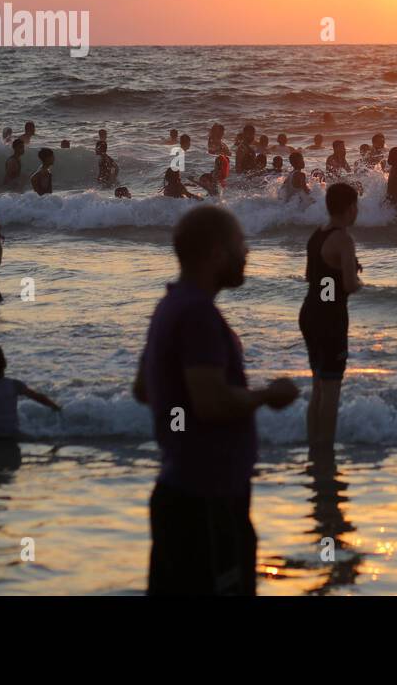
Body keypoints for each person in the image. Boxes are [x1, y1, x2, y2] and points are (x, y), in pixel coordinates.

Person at [132, 205, 301, 595]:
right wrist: (267, 396)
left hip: (181, 493)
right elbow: (209, 404)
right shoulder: (198, 314)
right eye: (240, 244)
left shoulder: (169, 305)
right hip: (207, 501)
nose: (246, 254)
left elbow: (143, 389)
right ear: (215, 253)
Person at [300, 183, 363, 448]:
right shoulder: (344, 239)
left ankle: (314, 446)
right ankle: (325, 451)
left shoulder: (318, 234)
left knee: (318, 387)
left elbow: (309, 275)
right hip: (331, 319)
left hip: (310, 313)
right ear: (350, 208)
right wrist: (361, 281)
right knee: (332, 390)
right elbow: (349, 285)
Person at [0, 344, 61, 438]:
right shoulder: (13, 384)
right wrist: (55, 406)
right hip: (11, 435)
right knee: (38, 437)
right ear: (5, 363)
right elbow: (38, 397)